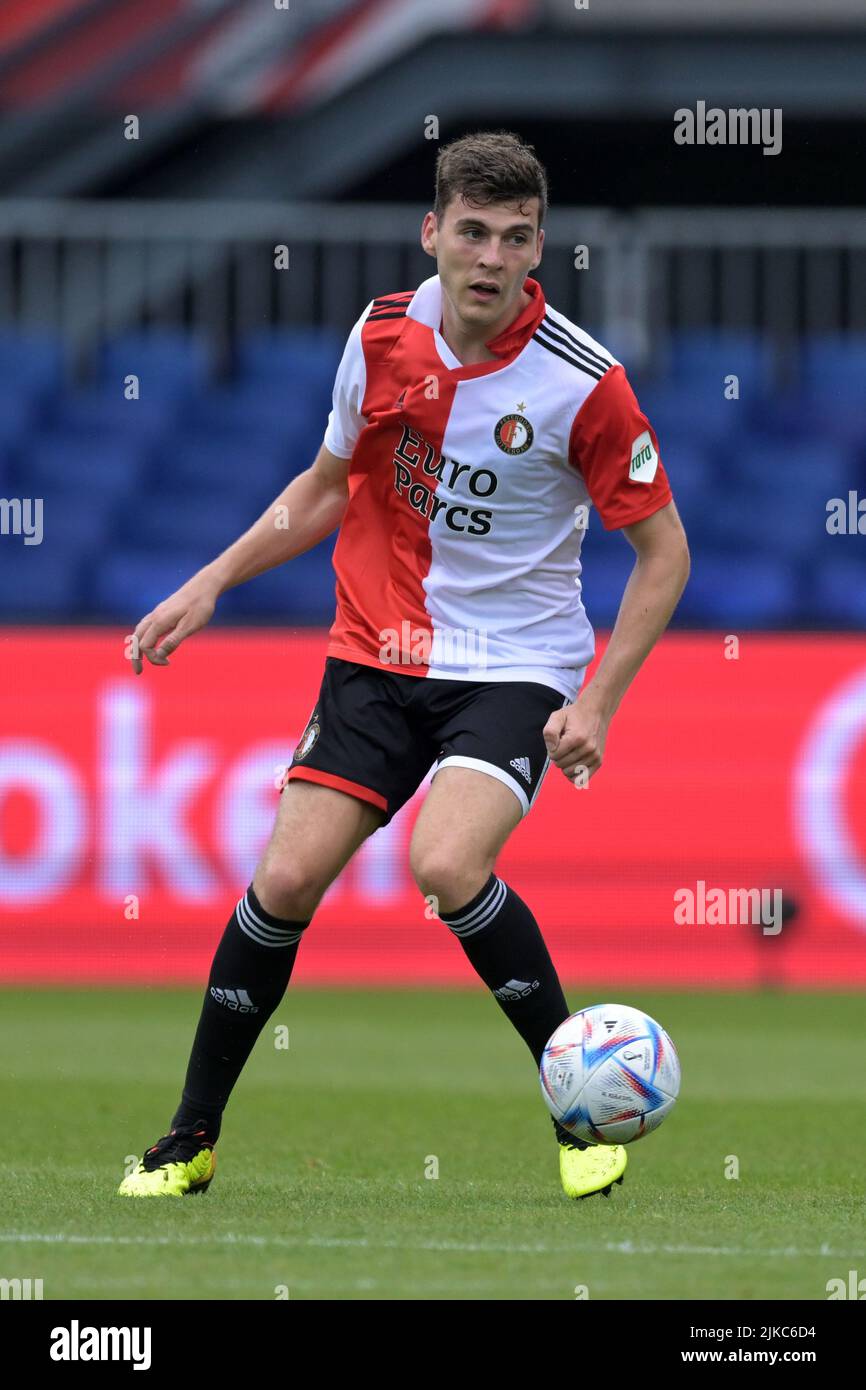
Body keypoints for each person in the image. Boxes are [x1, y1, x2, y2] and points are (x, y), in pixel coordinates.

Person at [118, 130, 689, 1202]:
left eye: (513, 238)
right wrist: (212, 580)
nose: (488, 257)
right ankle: (188, 1138)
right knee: (283, 880)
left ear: (536, 249)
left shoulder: (583, 385)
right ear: (432, 232)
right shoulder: (381, 333)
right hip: (375, 651)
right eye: (469, 232)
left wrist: (598, 702)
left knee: (444, 863)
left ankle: (577, 1115)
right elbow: (328, 483)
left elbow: (663, 552)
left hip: (515, 666)